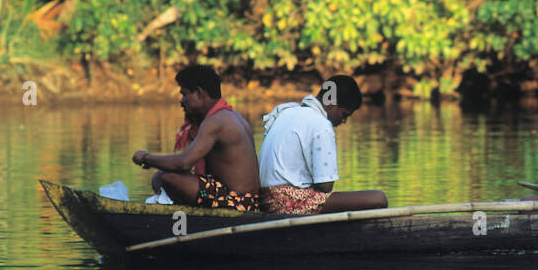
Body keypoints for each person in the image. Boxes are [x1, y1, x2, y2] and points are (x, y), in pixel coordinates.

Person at [132, 65, 260, 210]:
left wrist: (145, 158)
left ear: (200, 93)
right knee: (160, 176)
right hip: (246, 200)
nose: (181, 101)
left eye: (184, 94)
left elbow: (184, 163)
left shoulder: (216, 121)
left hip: (237, 202)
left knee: (167, 178)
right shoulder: (230, 115)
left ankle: (182, 214)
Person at [258, 75, 388, 214]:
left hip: (265, 200)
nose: (344, 121)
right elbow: (325, 186)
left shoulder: (287, 112)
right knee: (378, 198)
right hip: (286, 203)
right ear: (332, 104)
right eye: (345, 114)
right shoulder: (321, 124)